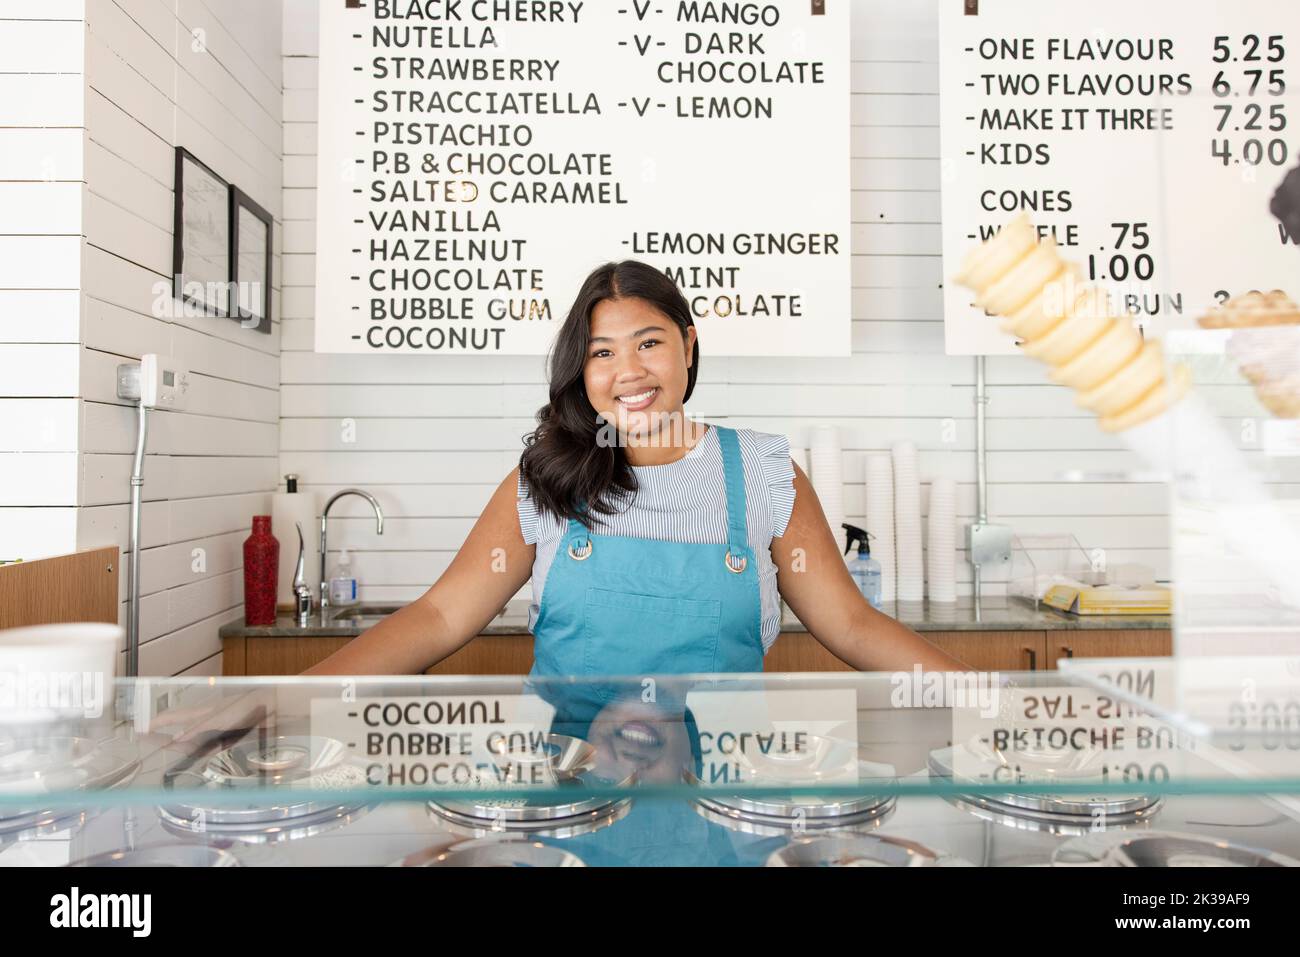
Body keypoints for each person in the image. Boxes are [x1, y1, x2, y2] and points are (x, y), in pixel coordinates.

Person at [306, 260, 964, 678]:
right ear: (582, 370)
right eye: (602, 352)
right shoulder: (548, 479)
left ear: (688, 343)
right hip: (575, 790)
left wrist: (988, 700)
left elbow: (851, 623)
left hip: (724, 791)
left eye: (649, 342)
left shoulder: (763, 469)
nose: (629, 372)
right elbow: (441, 617)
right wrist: (289, 698)